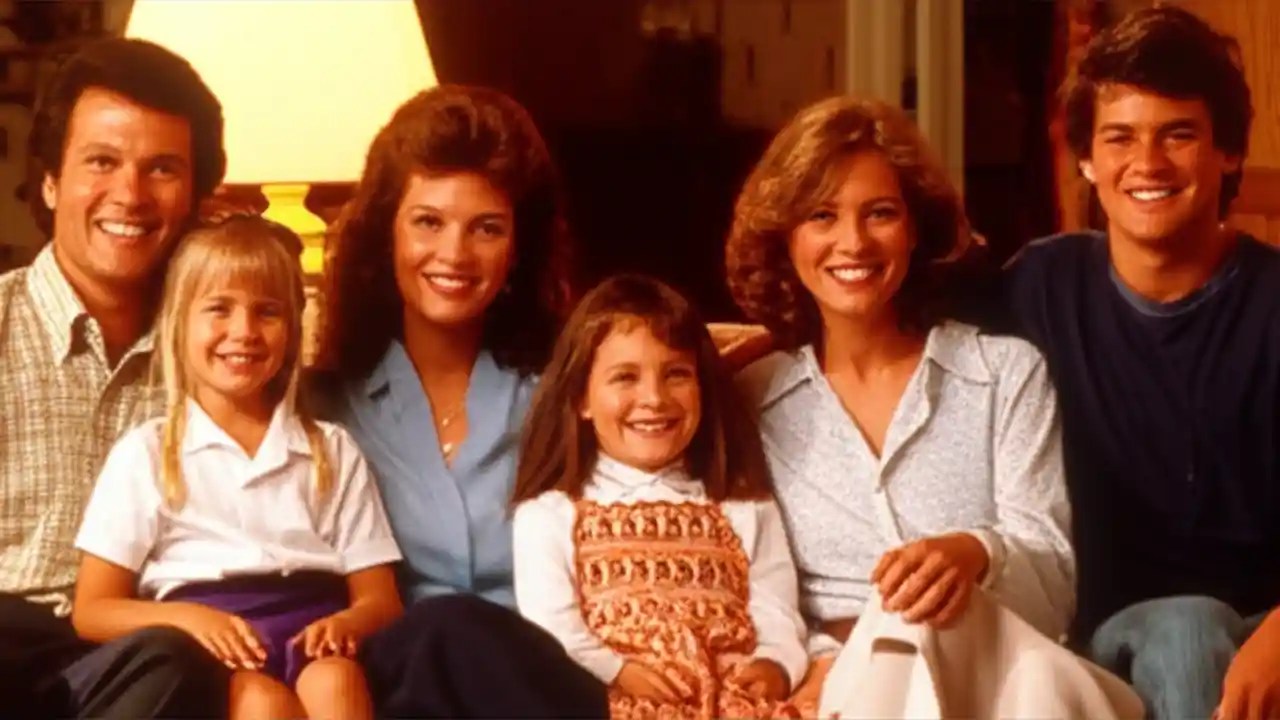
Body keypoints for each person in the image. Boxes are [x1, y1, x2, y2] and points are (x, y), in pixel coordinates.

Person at [728, 95, 1141, 718]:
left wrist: (976, 553)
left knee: (933, 625)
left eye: (880, 213)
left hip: (1000, 676)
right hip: (840, 687)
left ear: (915, 227)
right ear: (785, 238)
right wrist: (814, 661)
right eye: (821, 215)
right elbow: (758, 589)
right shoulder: (752, 398)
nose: (853, 242)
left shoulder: (1003, 372)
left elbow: (1055, 589)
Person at [999, 6, 1280, 719]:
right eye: (1120, 138)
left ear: (1227, 152)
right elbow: (890, 323)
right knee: (1186, 628)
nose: (1147, 164)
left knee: (1195, 629)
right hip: (1102, 636)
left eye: (1178, 134)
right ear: (1089, 159)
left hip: (1266, 630)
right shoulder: (1036, 288)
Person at [316, 84, 606, 718]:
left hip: (545, 680)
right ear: (384, 232)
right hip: (398, 682)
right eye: (428, 222)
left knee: (458, 629)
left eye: (486, 229)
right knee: (437, 629)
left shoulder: (571, 392)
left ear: (517, 248)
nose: (454, 254)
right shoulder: (324, 408)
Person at [70, 215, 403, 720]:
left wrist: (350, 625)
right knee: (262, 705)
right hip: (213, 644)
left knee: (337, 685)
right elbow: (92, 609)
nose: (243, 332)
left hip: (316, 635)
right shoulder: (148, 452)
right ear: (179, 324)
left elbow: (380, 599)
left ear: (292, 329)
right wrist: (186, 620)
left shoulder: (331, 450)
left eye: (267, 312)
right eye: (219, 310)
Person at [0, 37, 229, 718]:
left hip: (139, 662)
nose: (129, 195)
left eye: (162, 169)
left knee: (173, 661)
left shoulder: (226, 353)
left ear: (195, 195)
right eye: (101, 161)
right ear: (49, 179)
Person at [511, 274, 809, 719]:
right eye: (624, 378)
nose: (653, 398)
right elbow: (550, 626)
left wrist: (773, 665)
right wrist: (616, 670)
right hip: (609, 698)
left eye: (676, 375)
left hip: (732, 700)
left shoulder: (740, 505)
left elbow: (778, 609)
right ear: (581, 400)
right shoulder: (551, 514)